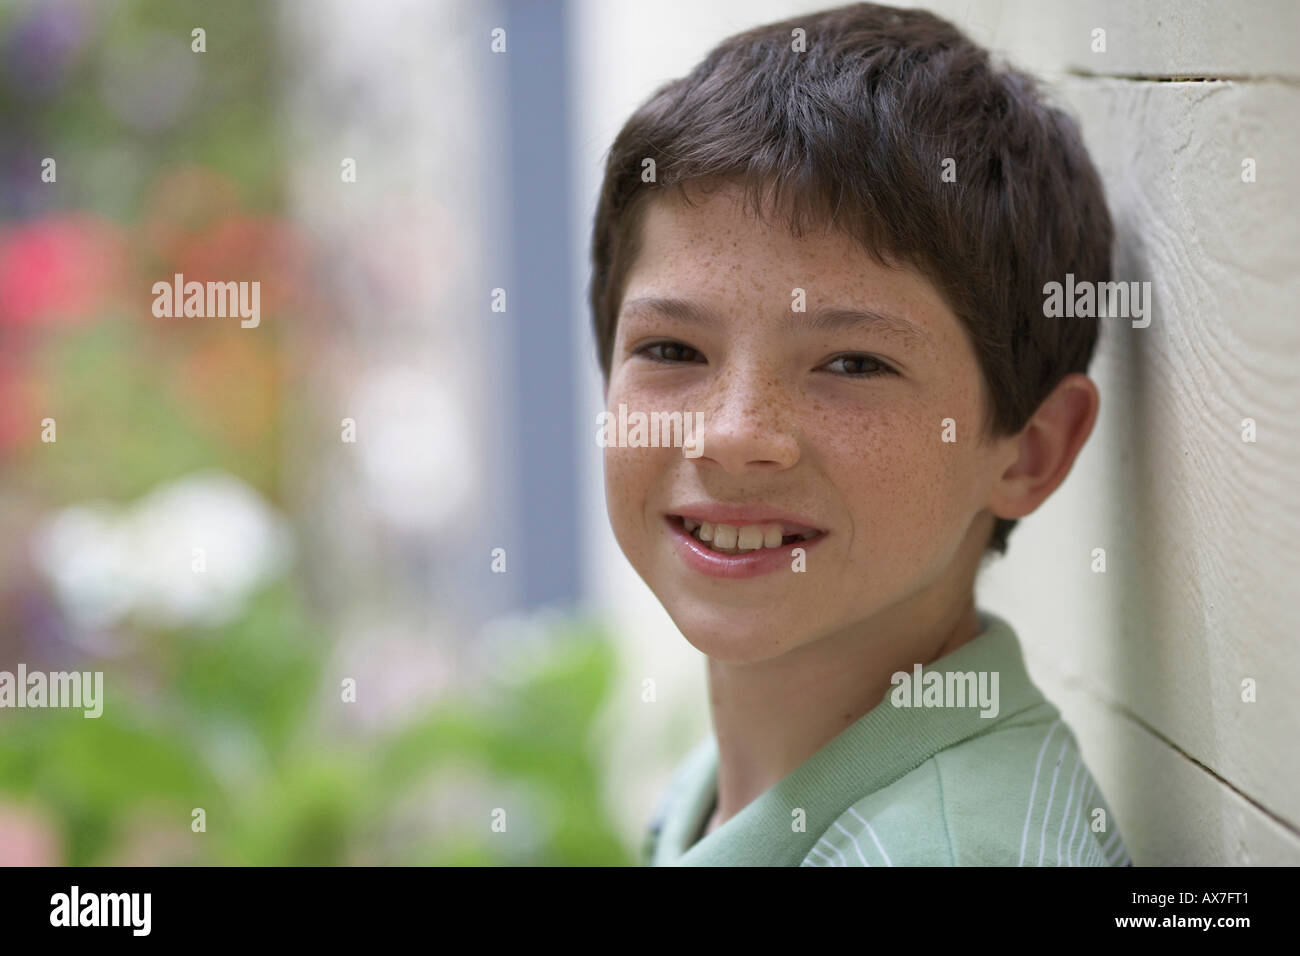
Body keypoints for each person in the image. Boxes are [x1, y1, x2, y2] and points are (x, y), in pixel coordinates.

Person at [588, 1, 1130, 865]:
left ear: (1030, 450)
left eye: (851, 365)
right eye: (672, 348)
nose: (733, 435)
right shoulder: (726, 787)